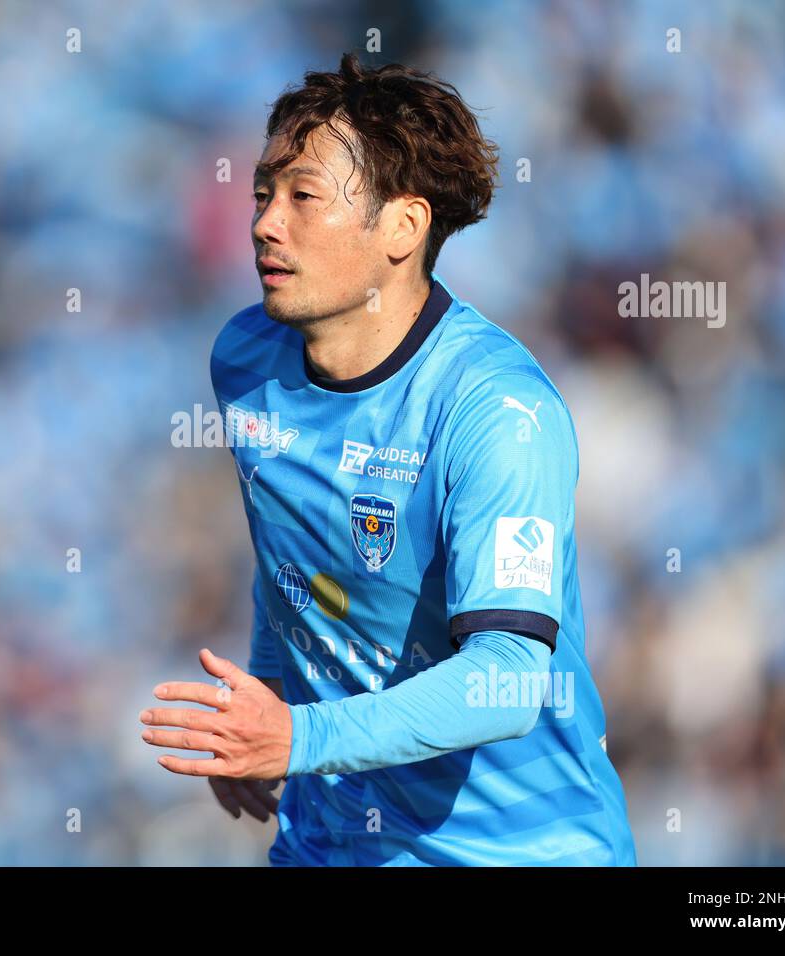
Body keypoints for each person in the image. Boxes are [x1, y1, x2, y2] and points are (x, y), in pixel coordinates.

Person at [140, 52, 637, 865]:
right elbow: (292, 560)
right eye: (264, 194)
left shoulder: (498, 411)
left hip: (515, 852)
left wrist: (299, 735)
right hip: (332, 841)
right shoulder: (246, 361)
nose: (267, 222)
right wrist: (268, 693)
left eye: (303, 197)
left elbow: (509, 678)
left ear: (403, 227)